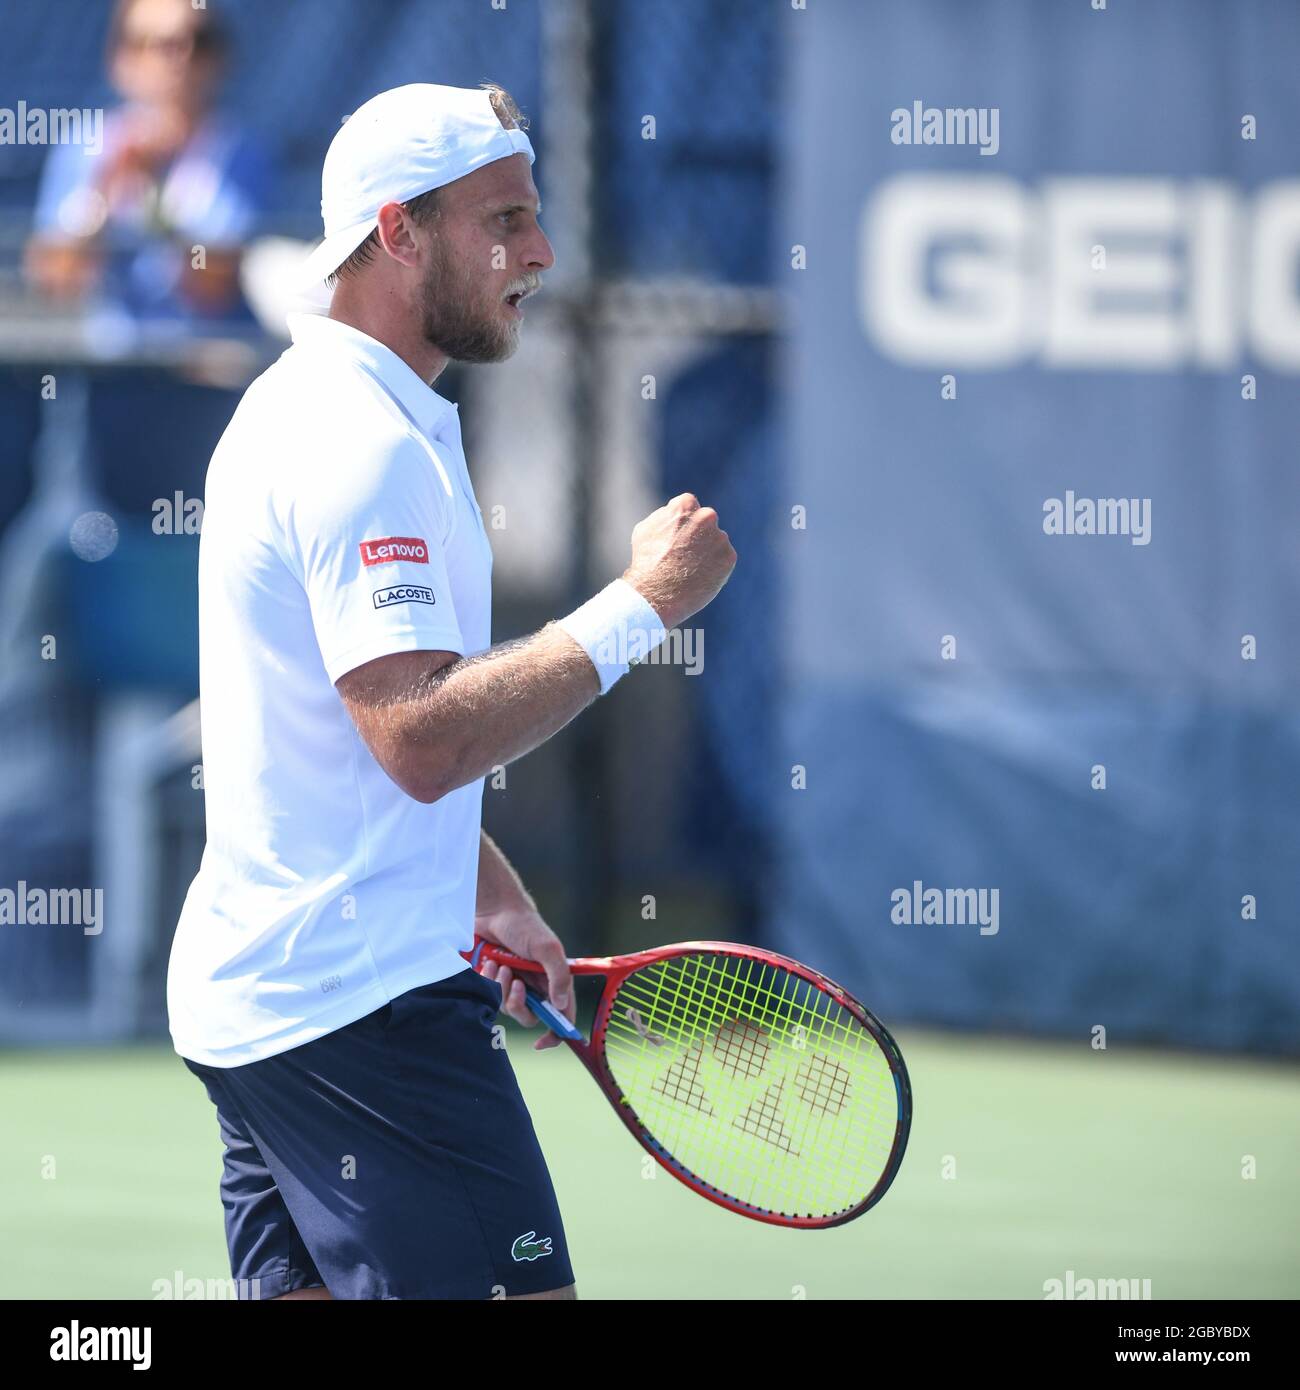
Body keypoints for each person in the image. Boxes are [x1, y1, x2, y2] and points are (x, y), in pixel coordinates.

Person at [166, 82, 736, 1301]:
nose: (538, 251)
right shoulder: (355, 444)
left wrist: (495, 894)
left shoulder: (348, 409)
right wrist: (640, 606)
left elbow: (339, 726)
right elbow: (418, 738)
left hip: (273, 1004)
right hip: (361, 1016)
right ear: (399, 233)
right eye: (505, 220)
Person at [25, 0, 268, 326]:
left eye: (200, 41)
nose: (181, 58)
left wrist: (155, 192)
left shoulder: (240, 151)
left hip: (209, 366)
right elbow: (54, 279)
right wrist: (105, 191)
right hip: (113, 365)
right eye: (160, 44)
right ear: (122, 59)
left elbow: (215, 288)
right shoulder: (86, 145)